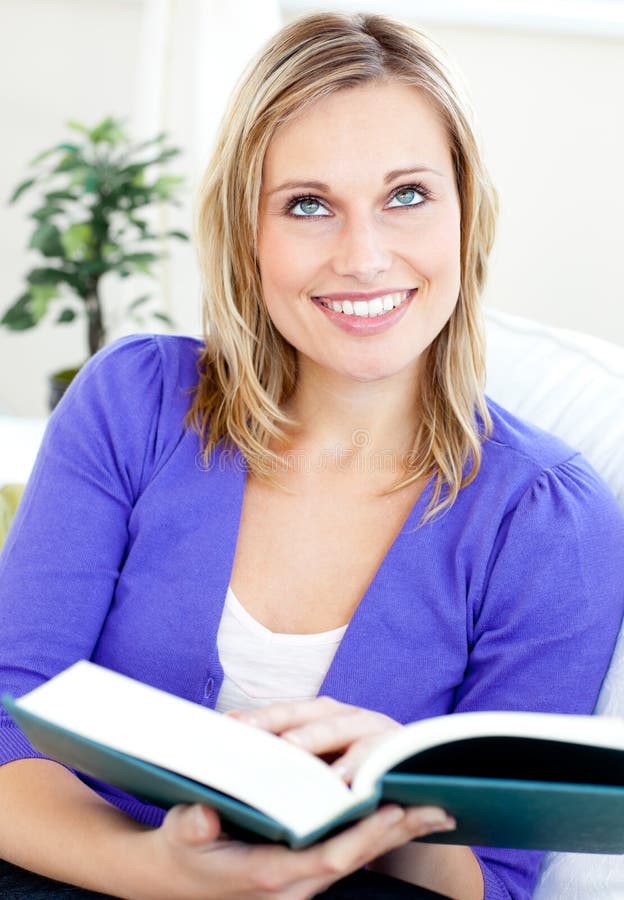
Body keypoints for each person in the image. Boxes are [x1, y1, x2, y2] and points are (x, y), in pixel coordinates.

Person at [0, 11, 623, 900]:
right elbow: (10, 726)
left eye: (407, 195)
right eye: (307, 205)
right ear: (245, 233)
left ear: (465, 212)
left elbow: (496, 880)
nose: (364, 257)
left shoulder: (549, 521)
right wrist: (159, 872)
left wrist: (397, 806)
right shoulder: (131, 404)